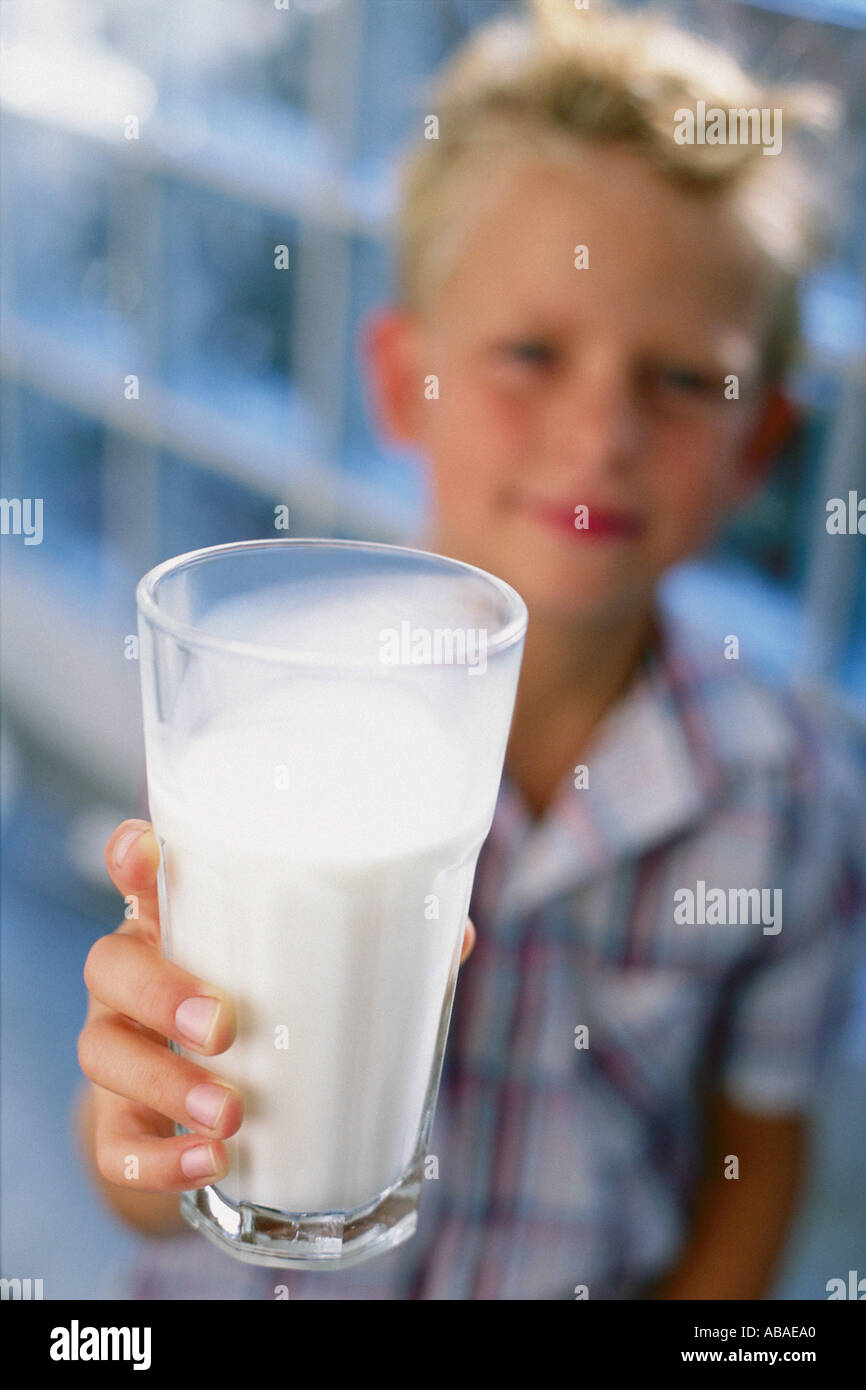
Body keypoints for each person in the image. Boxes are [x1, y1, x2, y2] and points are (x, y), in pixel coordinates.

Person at [76, 0, 864, 1299]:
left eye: (678, 379)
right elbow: (143, 1175)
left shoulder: (784, 803)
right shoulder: (257, 718)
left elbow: (755, 1150)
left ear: (760, 445)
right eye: (530, 353)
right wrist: (140, 1123)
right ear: (402, 381)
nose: (599, 428)